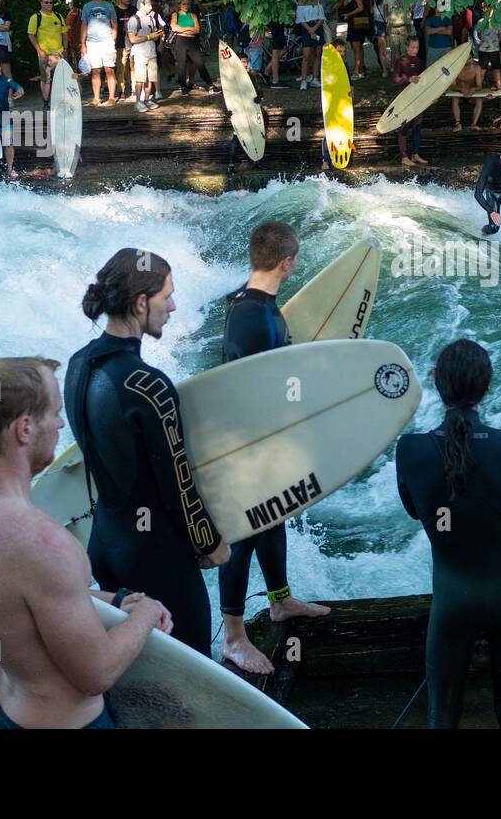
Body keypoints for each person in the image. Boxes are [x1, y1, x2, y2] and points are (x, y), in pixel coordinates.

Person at [0, 357, 172, 729]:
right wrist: (145, 615)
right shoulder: (43, 543)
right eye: (55, 413)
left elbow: (17, 602)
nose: (62, 424)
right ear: (25, 428)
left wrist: (115, 600)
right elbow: (97, 673)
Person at [64, 249, 230, 656]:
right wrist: (210, 543)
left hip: (104, 544)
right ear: (141, 303)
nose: (173, 306)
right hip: (155, 556)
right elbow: (177, 480)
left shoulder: (77, 365)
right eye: (166, 297)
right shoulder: (147, 386)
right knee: (192, 675)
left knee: (137, 675)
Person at [395, 339, 501, 728]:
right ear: (487, 386)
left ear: (437, 383)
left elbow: (415, 511)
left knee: (443, 717)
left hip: (451, 602)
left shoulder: (411, 449)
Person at [217, 222, 331, 673]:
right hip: (248, 445)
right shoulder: (252, 315)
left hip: (265, 440)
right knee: (244, 532)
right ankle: (232, 636)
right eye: (296, 260)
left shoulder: (258, 306)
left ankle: (280, 601)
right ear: (287, 262)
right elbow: (249, 388)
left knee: (273, 519)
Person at [80, 0, 118, 106]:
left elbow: (114, 24)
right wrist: (83, 44)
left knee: (109, 70)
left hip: (106, 41)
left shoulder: (109, 6)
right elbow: (84, 25)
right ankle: (96, 98)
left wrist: (112, 39)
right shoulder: (86, 6)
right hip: (92, 42)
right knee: (95, 70)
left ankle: (111, 97)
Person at [392, 36, 428, 167]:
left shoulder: (419, 61)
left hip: (417, 98)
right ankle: (404, 156)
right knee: (404, 127)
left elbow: (426, 80)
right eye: (412, 47)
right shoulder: (400, 61)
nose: (415, 50)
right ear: (407, 47)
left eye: (417, 47)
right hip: (404, 99)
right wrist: (408, 79)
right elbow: (395, 79)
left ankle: (415, 154)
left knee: (417, 126)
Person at [127, 0, 165, 113]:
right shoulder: (134, 20)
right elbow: (132, 39)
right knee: (140, 78)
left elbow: (153, 34)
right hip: (140, 53)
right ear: (142, 5)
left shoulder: (152, 18)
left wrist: (156, 35)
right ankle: (138, 101)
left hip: (151, 52)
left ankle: (147, 99)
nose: (151, 7)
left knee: (151, 77)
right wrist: (149, 36)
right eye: (148, 4)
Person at [27, 0, 68, 100]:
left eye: (51, 2)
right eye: (46, 2)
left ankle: (62, 99)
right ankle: (46, 101)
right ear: (41, 3)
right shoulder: (36, 17)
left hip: (59, 52)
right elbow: (31, 34)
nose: (49, 4)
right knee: (46, 78)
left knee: (62, 77)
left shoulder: (58, 16)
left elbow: (64, 33)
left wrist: (66, 48)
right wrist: (38, 50)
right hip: (44, 53)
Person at [341, 0, 374, 80]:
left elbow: (360, 8)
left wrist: (349, 14)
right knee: (357, 47)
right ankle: (361, 70)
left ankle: (357, 71)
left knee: (357, 48)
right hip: (353, 23)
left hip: (357, 23)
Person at [449, 57, 488, 131]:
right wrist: (461, 89)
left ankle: (474, 124)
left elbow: (479, 86)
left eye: (471, 58)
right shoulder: (455, 67)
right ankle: (458, 124)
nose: (471, 60)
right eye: (468, 58)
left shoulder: (476, 67)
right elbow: (452, 86)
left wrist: (473, 89)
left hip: (471, 94)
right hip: (459, 93)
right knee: (454, 98)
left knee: (479, 100)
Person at [295, 0, 326, 91]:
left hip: (317, 27)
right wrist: (310, 30)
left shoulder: (317, 1)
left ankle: (315, 78)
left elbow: (321, 17)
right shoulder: (300, 2)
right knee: (306, 56)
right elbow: (300, 19)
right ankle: (304, 80)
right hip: (307, 28)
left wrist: (314, 29)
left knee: (318, 54)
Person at [114, 0, 137, 101]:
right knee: (121, 68)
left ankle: (134, 88)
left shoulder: (134, 10)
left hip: (133, 43)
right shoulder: (114, 10)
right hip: (120, 43)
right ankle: (121, 90)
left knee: (134, 67)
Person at [422, 3, 454, 68]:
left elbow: (449, 31)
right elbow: (428, 31)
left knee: (447, 68)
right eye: (438, 7)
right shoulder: (430, 19)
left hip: (446, 47)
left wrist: (434, 30)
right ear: (435, 9)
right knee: (431, 68)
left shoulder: (447, 18)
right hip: (433, 48)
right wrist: (441, 28)